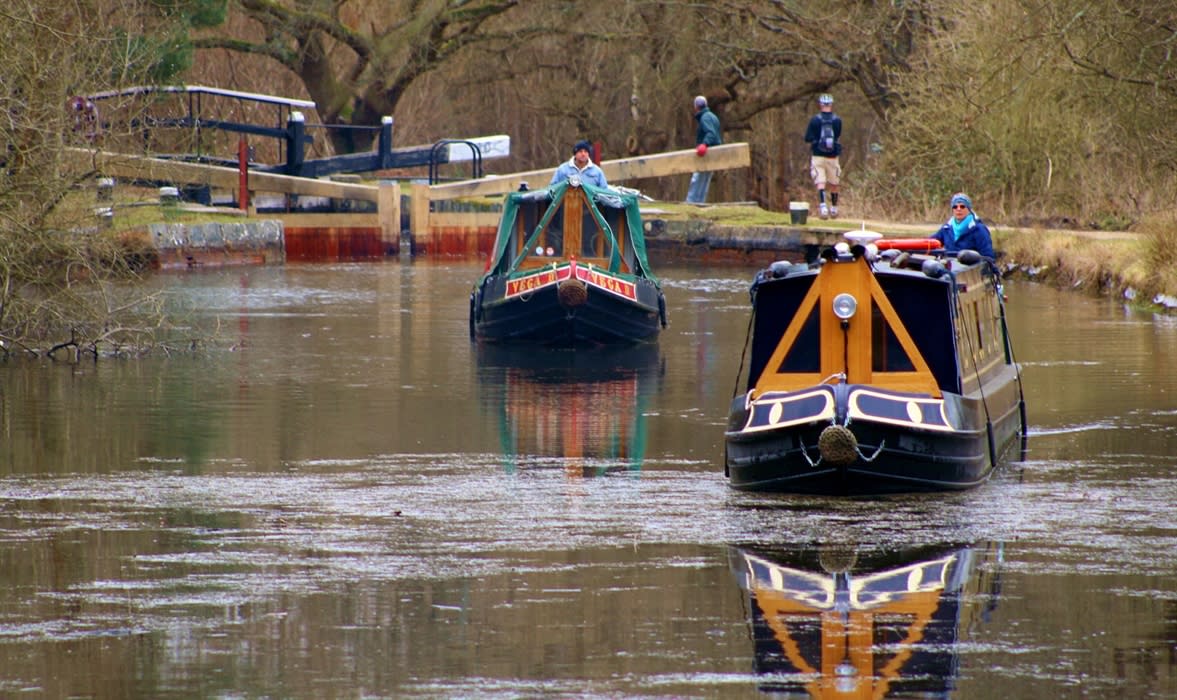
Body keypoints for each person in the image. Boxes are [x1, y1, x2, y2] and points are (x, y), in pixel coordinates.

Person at [804, 93, 842, 219]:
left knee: (820, 182)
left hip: (818, 156)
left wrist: (815, 141)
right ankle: (834, 208)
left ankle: (823, 207)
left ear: (820, 105)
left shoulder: (815, 120)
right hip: (833, 157)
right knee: (834, 183)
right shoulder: (837, 120)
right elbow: (837, 136)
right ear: (831, 105)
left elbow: (807, 138)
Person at [931, 192, 996, 259]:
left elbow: (988, 258)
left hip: (970, 268)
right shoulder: (946, 228)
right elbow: (930, 242)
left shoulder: (979, 229)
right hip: (949, 266)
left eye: (962, 206)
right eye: (955, 207)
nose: (958, 209)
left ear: (969, 209)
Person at [686, 95, 722, 203]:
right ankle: (699, 203)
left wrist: (704, 144)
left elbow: (711, 133)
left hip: (705, 154)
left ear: (696, 107)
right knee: (705, 180)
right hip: (712, 154)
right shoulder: (713, 116)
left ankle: (691, 203)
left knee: (697, 179)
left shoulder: (705, 117)